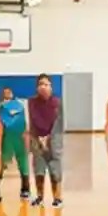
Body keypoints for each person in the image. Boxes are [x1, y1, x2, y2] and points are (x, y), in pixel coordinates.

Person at [27, 74, 64, 208]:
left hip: (54, 142)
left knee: (55, 172)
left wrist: (49, 137)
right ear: (37, 87)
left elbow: (59, 123)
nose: (43, 87)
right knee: (39, 171)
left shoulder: (57, 103)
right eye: (41, 84)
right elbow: (33, 120)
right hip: (37, 141)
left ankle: (57, 198)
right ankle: (39, 197)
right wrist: (39, 138)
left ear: (51, 87)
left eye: (46, 84)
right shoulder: (32, 102)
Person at [0, 86, 31, 202]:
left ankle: (25, 189)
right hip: (7, 138)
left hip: (20, 137)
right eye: (5, 92)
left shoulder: (20, 105)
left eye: (9, 91)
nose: (8, 93)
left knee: (23, 163)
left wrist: (27, 135)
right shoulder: (1, 107)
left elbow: (25, 121)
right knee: (1, 163)